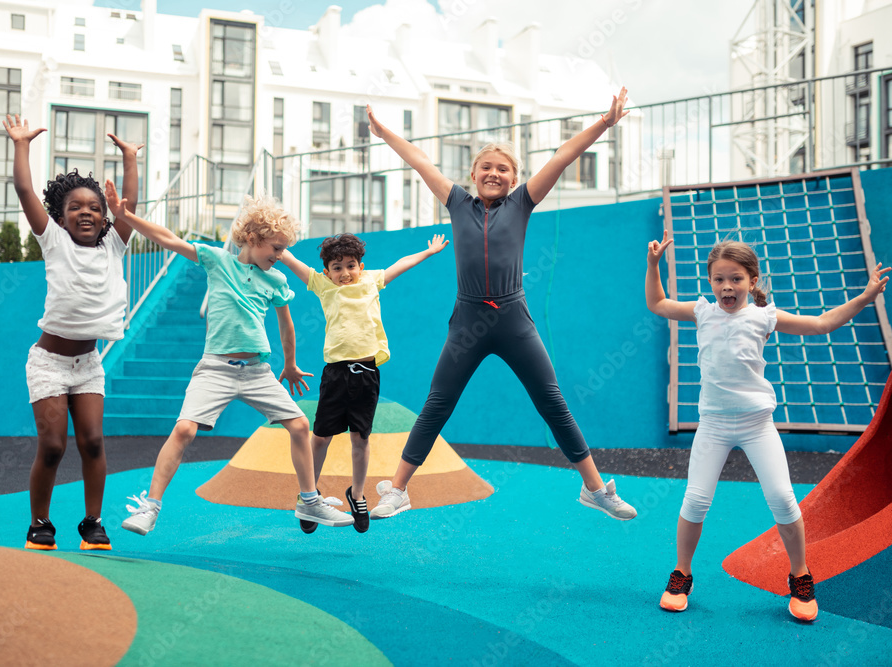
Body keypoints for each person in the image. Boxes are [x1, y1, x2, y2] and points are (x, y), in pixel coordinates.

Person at [365, 90, 638, 522]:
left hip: (513, 319)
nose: (494, 173)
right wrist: (383, 133)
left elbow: (563, 156)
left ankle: (595, 489)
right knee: (438, 403)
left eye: (503, 168)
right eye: (487, 167)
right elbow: (419, 160)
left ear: (515, 178)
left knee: (553, 402)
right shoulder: (457, 202)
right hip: (468, 319)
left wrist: (605, 123)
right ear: (473, 173)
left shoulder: (523, 202)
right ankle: (397, 489)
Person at [645, 232, 890, 621]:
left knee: (782, 499)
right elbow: (657, 302)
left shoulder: (764, 316)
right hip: (713, 424)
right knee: (695, 500)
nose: (727, 286)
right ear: (710, 282)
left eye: (736, 278)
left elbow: (822, 323)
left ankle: (800, 574)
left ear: (752, 281)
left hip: (757, 424)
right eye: (719, 279)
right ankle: (682, 573)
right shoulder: (701, 311)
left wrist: (864, 297)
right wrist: (654, 264)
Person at [104, 182, 354, 534]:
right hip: (216, 369)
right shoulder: (217, 260)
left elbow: (287, 325)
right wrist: (125, 215)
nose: (280, 254)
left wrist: (290, 364)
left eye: (284, 249)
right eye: (277, 247)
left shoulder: (277, 279)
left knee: (299, 426)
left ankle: (309, 502)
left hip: (257, 371)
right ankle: (150, 507)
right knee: (184, 429)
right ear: (252, 238)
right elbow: (169, 239)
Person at [4, 114, 142, 551]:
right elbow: (26, 192)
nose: (87, 212)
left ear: (105, 218)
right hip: (48, 362)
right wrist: (21, 145)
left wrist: (130, 159)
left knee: (94, 441)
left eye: (95, 208)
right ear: (61, 218)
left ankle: (92, 523)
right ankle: (40, 524)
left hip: (87, 364)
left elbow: (130, 206)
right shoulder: (54, 241)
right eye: (76, 208)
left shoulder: (115, 245)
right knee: (52, 445)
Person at [280, 232, 449, 533]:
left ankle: (357, 494)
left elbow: (400, 264)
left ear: (361, 266)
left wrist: (429, 252)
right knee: (321, 437)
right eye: (337, 267)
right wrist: (271, 243)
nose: (344, 273)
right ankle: (310, 495)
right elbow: (290, 259)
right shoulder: (322, 285)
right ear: (326, 271)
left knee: (361, 438)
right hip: (335, 373)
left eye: (350, 265)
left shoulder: (372, 280)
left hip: (367, 373)